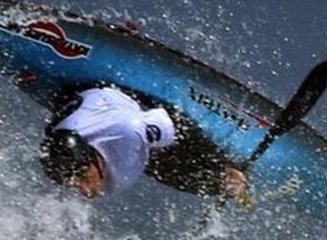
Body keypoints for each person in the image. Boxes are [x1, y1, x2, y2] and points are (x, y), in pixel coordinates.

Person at [39, 86, 250, 205]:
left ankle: (224, 181)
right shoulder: (62, 159)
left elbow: (179, 126)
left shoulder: (128, 130)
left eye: (84, 178)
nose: (83, 189)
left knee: (165, 167)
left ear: (93, 160)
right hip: (81, 113)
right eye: (74, 184)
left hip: (122, 103)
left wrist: (223, 165)